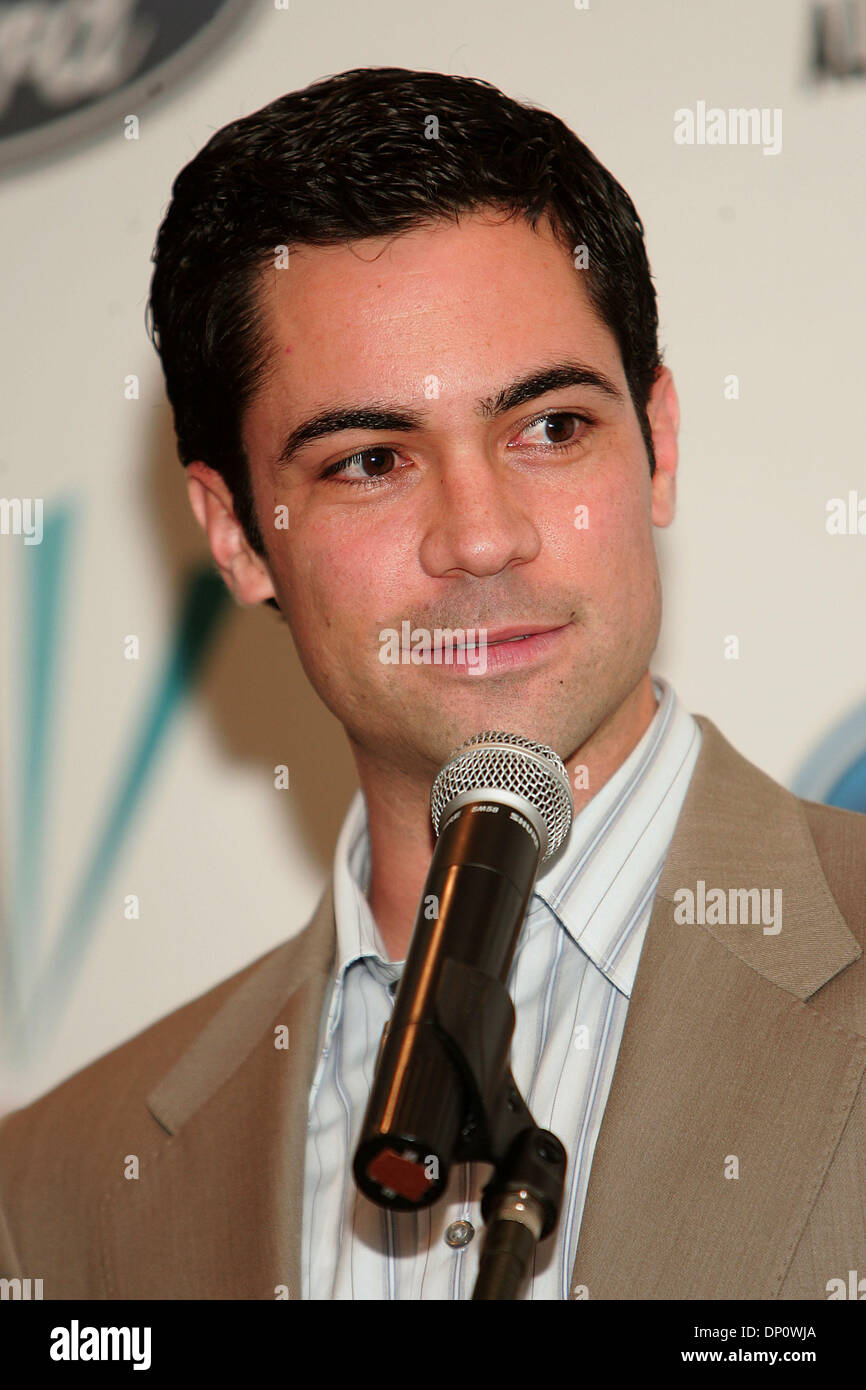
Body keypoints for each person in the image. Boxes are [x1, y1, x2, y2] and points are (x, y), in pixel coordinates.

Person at [1, 66, 864, 1302]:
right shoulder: (55, 1197)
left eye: (550, 426)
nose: (478, 534)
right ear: (239, 533)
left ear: (657, 444)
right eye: (367, 460)